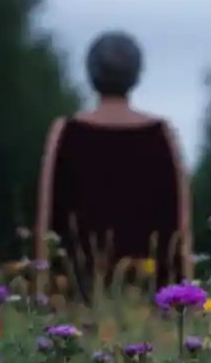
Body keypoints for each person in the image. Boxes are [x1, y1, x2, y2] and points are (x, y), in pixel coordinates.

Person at [34, 31, 193, 302]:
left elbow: (47, 221)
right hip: (150, 305)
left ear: (90, 72)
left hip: (77, 304)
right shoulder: (162, 134)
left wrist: (44, 293)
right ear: (136, 74)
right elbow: (181, 226)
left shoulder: (65, 133)